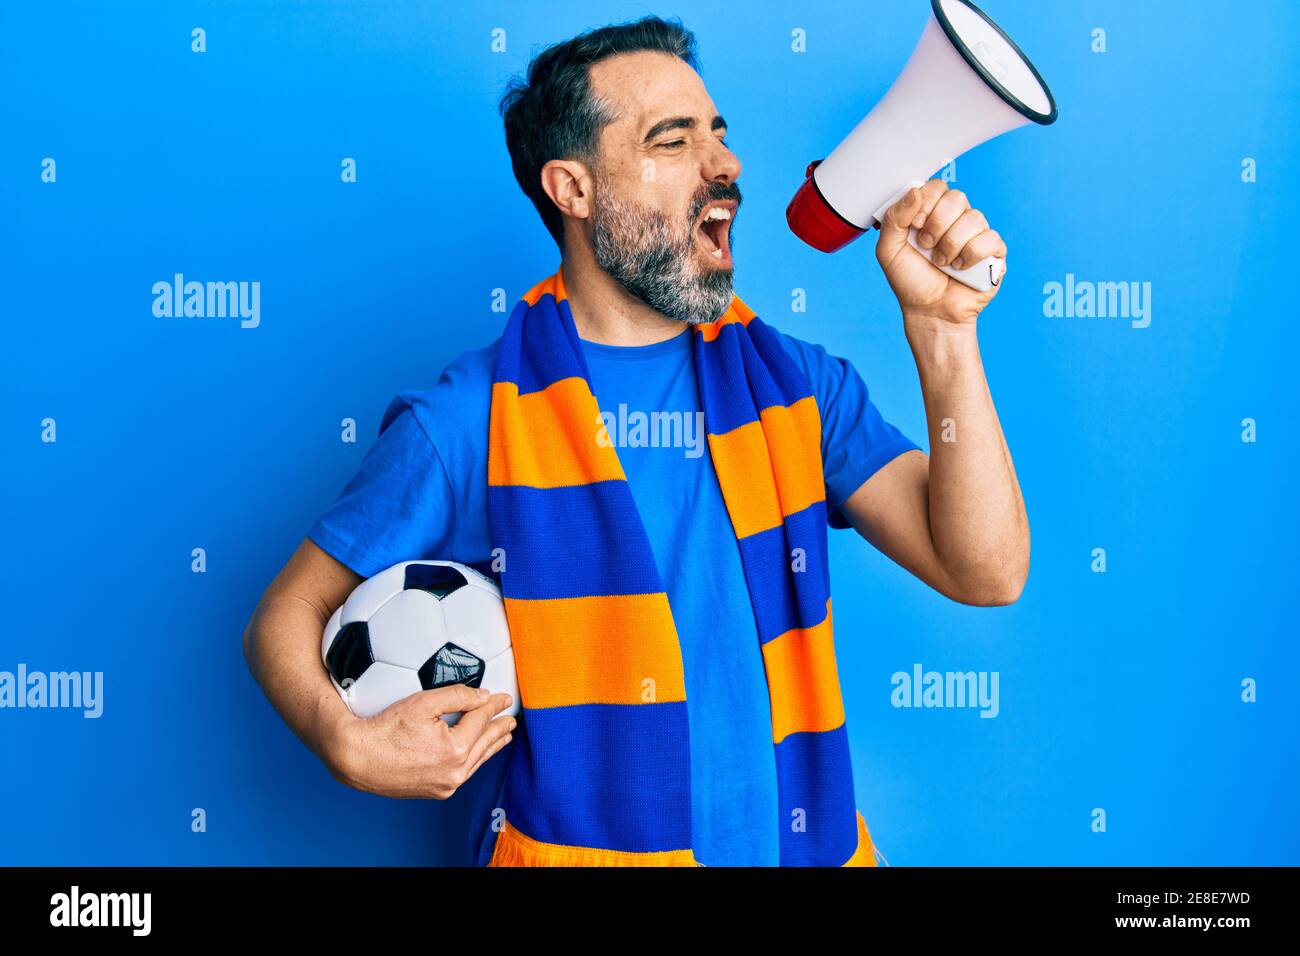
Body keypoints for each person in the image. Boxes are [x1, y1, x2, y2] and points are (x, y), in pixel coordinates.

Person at [243, 15, 1029, 867]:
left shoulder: (796, 385)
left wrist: (944, 331)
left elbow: (983, 570)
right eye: (673, 140)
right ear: (572, 190)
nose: (724, 164)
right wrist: (344, 740)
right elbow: (284, 616)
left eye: (719, 135)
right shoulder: (471, 418)